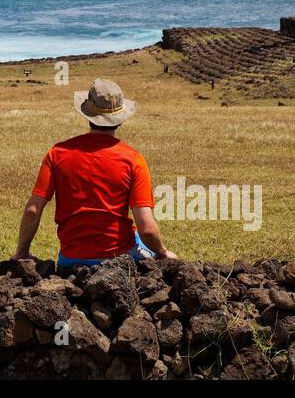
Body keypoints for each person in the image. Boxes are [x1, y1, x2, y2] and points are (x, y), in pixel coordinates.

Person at [12, 78, 175, 266]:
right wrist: (163, 252)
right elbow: (146, 228)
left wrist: (21, 252)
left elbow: (33, 210)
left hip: (70, 260)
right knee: (147, 251)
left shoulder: (57, 154)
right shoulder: (134, 160)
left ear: (87, 114)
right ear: (120, 119)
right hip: (120, 258)